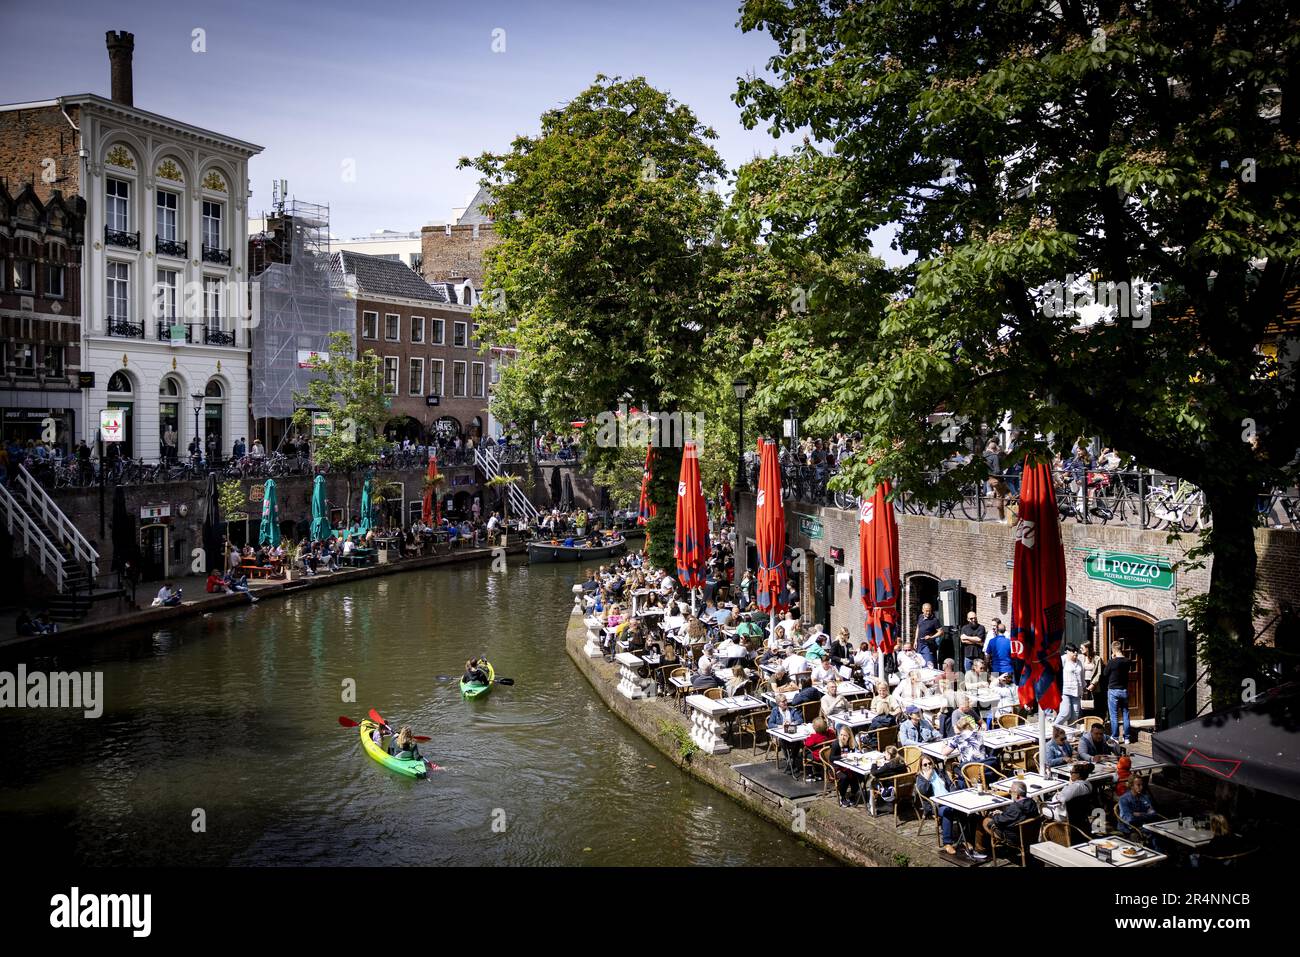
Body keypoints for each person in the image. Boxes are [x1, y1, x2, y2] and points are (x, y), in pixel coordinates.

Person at [915, 757, 987, 859]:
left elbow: (949, 785)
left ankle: (965, 840)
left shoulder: (939, 772)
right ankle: (947, 843)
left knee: (964, 810)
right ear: (921, 766)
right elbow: (923, 791)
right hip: (935, 805)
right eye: (925, 765)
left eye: (929, 763)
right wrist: (928, 778)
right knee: (947, 812)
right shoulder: (921, 778)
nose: (928, 766)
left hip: (949, 799)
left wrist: (955, 793)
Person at [982, 779, 1039, 851]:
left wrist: (993, 815)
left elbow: (999, 821)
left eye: (1011, 791)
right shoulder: (1032, 803)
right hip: (1031, 835)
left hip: (1015, 838)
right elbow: (1015, 816)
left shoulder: (1015, 808)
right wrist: (1003, 813)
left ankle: (981, 849)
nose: (1010, 793)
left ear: (1017, 794)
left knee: (986, 821)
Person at [1101, 643, 1132, 743]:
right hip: (1124, 690)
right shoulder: (1127, 661)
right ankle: (1127, 738)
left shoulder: (1112, 662)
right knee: (1125, 713)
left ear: (1113, 650)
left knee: (1114, 715)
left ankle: (1115, 737)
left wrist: (1112, 659)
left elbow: (1105, 673)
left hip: (1113, 690)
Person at [1117, 773, 1160, 838]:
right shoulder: (1123, 799)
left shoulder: (1145, 797)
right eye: (1138, 785)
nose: (1141, 787)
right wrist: (1146, 814)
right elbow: (1129, 819)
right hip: (1129, 830)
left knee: (1160, 834)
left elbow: (1153, 814)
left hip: (1144, 826)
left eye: (1142, 785)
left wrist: (1139, 814)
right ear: (1131, 786)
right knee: (1154, 836)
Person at [829, 725, 861, 807]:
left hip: (849, 765)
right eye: (841, 735)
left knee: (858, 774)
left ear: (849, 736)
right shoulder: (836, 744)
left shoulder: (851, 744)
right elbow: (831, 758)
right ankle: (842, 797)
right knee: (844, 777)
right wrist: (841, 756)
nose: (842, 737)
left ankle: (853, 794)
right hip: (836, 767)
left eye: (845, 735)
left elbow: (853, 753)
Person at [1061, 645, 1084, 725]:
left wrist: (1083, 688)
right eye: (1073, 651)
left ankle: (1070, 736)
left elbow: (1082, 675)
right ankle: (1054, 729)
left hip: (1076, 692)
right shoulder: (1063, 660)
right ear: (1066, 651)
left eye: (1076, 651)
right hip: (1065, 691)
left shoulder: (1079, 662)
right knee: (1065, 713)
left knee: (1075, 716)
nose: (1075, 652)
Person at [915, 602, 942, 666]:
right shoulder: (920, 616)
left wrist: (931, 637)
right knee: (919, 663)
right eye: (926, 611)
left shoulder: (934, 620)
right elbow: (918, 627)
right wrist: (915, 641)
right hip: (919, 644)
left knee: (929, 664)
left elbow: (940, 632)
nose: (928, 613)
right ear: (922, 610)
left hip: (928, 645)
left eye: (929, 611)